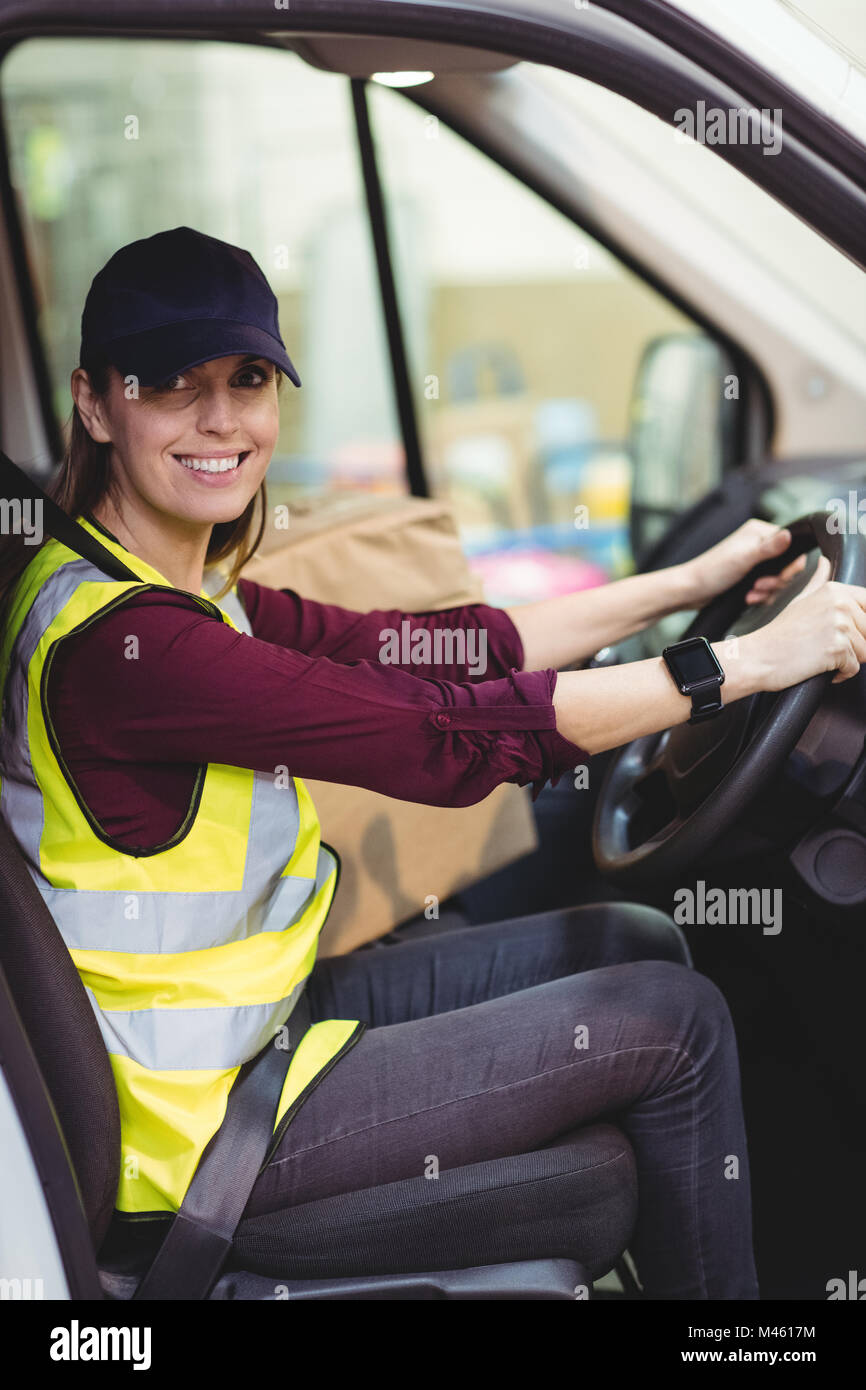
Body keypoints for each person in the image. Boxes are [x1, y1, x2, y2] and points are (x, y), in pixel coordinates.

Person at [2, 227, 865, 1301]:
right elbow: (436, 736)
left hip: (266, 1023)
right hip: (197, 1131)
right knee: (676, 1026)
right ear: (94, 403)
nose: (220, 418)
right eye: (169, 383)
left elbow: (439, 649)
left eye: (248, 378)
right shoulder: (130, 650)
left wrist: (692, 580)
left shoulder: (173, 587)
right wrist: (732, 667)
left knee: (631, 934)